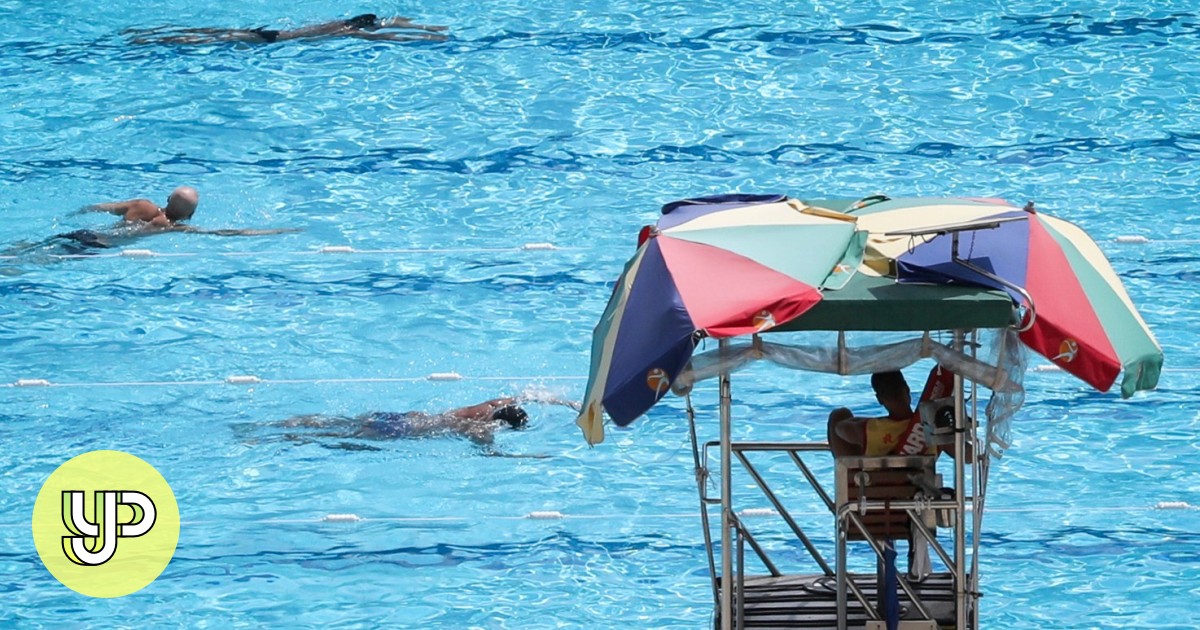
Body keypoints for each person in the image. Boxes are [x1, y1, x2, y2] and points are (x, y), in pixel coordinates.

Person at [275, 395, 580, 450]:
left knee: (340, 423)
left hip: (404, 416)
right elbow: (489, 454)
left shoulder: (488, 406)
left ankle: (294, 423)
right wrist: (528, 458)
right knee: (342, 437)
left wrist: (568, 403)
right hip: (402, 431)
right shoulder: (480, 429)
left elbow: (528, 393)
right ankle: (291, 437)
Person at [826, 370, 965, 460]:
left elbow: (840, 427)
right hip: (921, 492)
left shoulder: (872, 429)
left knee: (839, 413)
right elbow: (968, 457)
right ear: (907, 389)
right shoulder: (932, 427)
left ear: (880, 399)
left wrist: (871, 421)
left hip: (874, 492)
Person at [124, 14, 448, 45]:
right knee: (216, 38)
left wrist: (427, 29)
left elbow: (389, 27)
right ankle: (157, 38)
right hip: (275, 41)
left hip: (275, 37)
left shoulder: (340, 26)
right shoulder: (346, 31)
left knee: (215, 34)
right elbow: (389, 33)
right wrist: (426, 34)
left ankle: (156, 36)